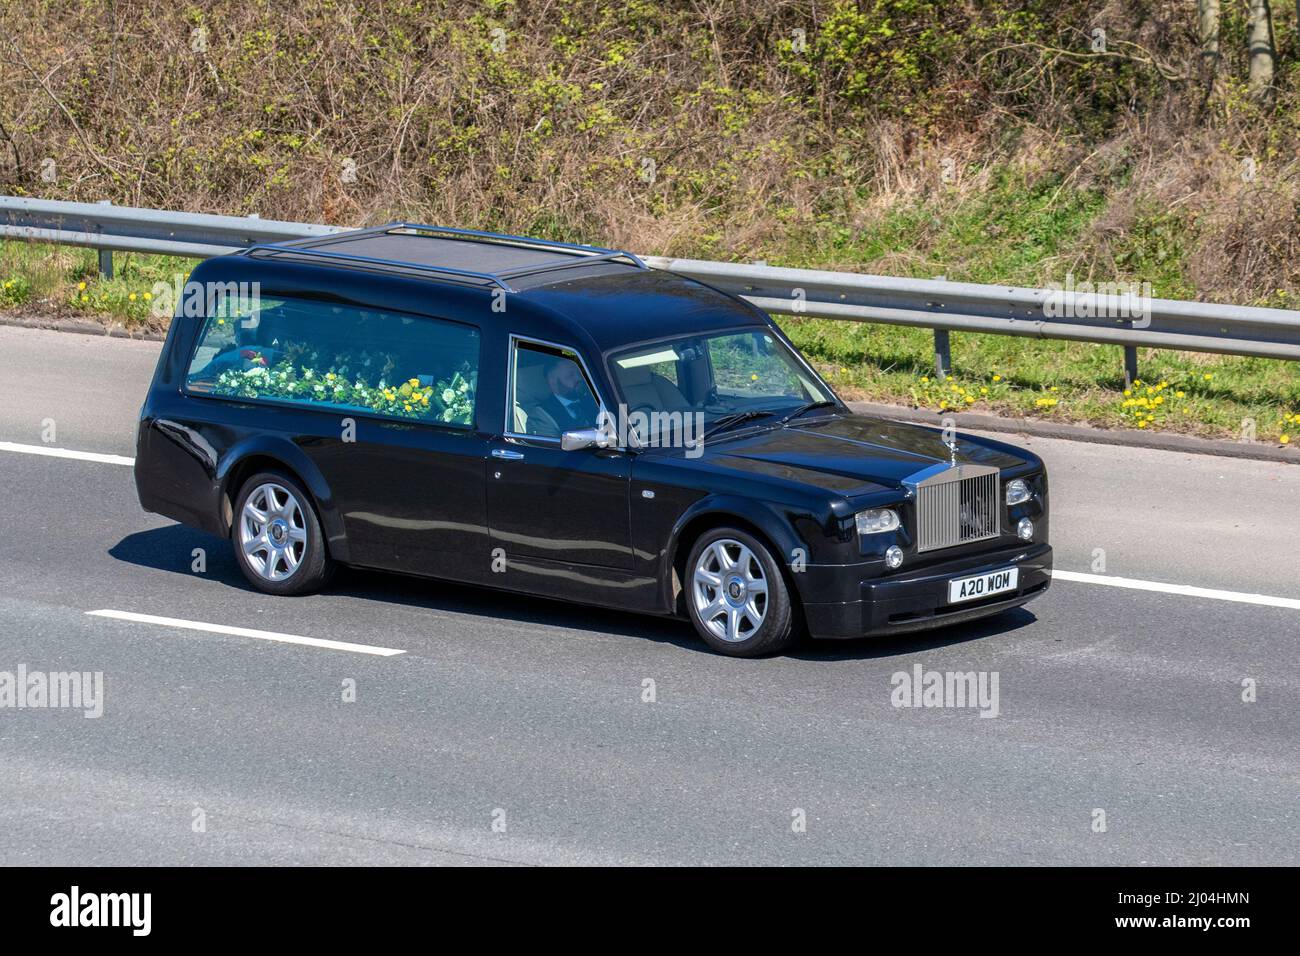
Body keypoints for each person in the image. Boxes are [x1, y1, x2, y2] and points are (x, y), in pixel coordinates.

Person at [525, 356, 599, 437]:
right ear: (553, 382)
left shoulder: (595, 401)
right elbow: (549, 448)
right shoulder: (541, 415)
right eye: (570, 375)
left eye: (579, 374)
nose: (579, 378)